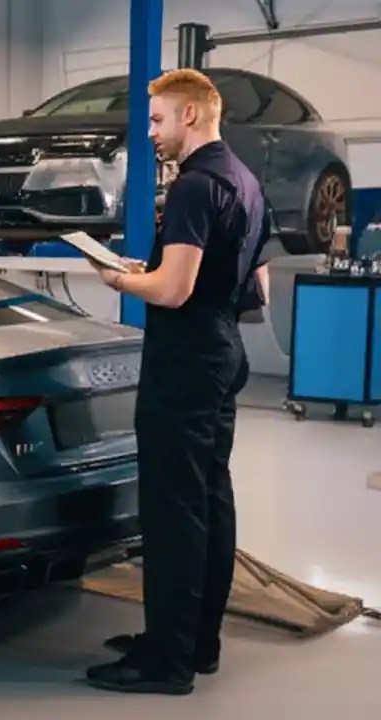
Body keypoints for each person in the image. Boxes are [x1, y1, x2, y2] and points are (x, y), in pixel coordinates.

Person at [83, 68, 271, 695]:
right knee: (211, 500)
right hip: (224, 349)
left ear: (191, 114)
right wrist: (167, 270)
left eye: (158, 120)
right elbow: (258, 289)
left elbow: (172, 289)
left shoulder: (194, 185)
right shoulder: (244, 180)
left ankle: (166, 661)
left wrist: (120, 279)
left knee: (172, 511)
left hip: (186, 357)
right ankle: (198, 644)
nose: (153, 134)